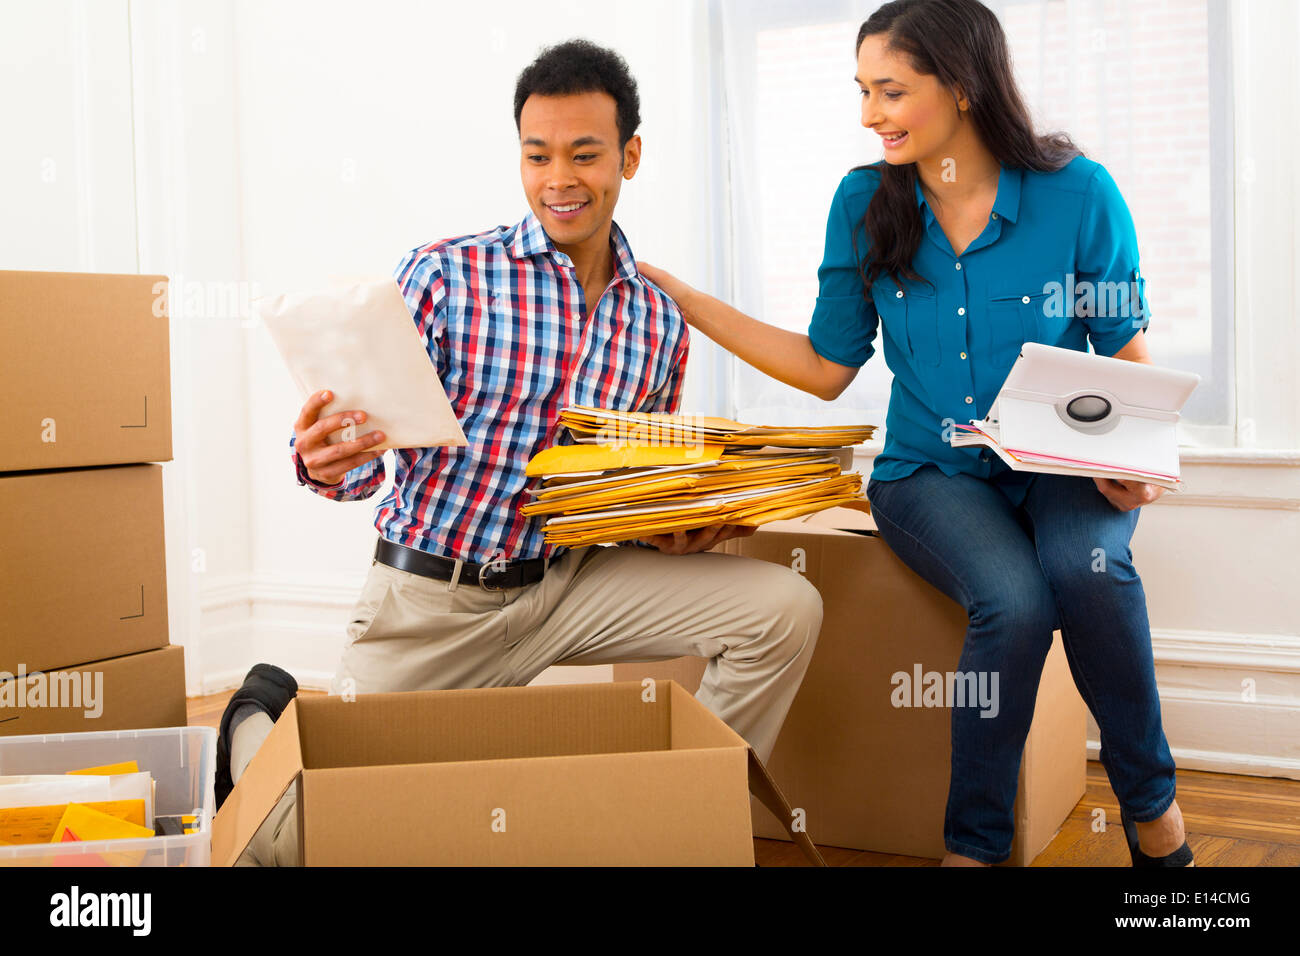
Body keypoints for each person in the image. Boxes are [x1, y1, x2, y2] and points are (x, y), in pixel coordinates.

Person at [216, 39, 822, 866]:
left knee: (783, 609)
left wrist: (675, 524)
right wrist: (328, 459)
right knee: (294, 848)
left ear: (629, 156)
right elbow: (366, 452)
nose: (558, 180)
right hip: (431, 604)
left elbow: (620, 484)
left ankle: (670, 823)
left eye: (583, 154)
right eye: (537, 156)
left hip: (570, 587)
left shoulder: (657, 321)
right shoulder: (443, 277)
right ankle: (256, 723)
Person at [639, 0, 1192, 867]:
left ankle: (1153, 814)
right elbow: (828, 366)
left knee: (1089, 572)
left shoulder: (1079, 193)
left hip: (1059, 461)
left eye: (890, 91)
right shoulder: (865, 202)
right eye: (862, 91)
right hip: (930, 472)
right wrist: (690, 302)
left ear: (962, 86)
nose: (868, 115)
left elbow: (1123, 349)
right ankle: (971, 851)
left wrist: (1140, 465)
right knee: (1013, 604)